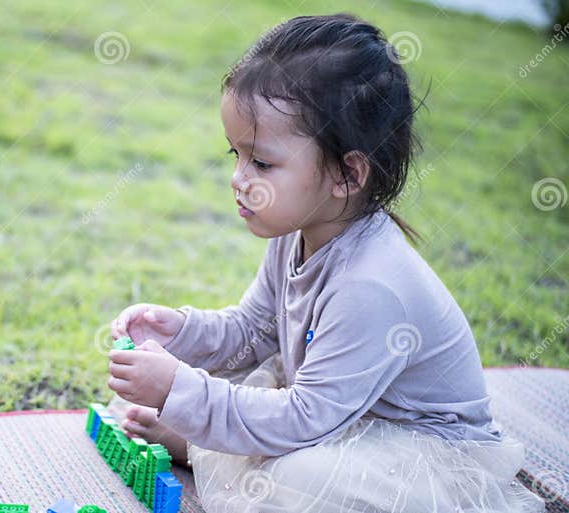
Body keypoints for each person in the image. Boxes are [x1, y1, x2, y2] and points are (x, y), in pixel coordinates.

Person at [106, 14, 545, 513]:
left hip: (422, 451)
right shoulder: (295, 234)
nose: (236, 177)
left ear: (347, 173)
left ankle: (204, 447)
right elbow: (253, 331)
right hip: (336, 412)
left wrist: (180, 390)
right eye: (235, 154)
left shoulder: (372, 285)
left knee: (297, 476)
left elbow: (303, 420)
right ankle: (209, 447)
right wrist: (180, 331)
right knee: (252, 381)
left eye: (262, 163)